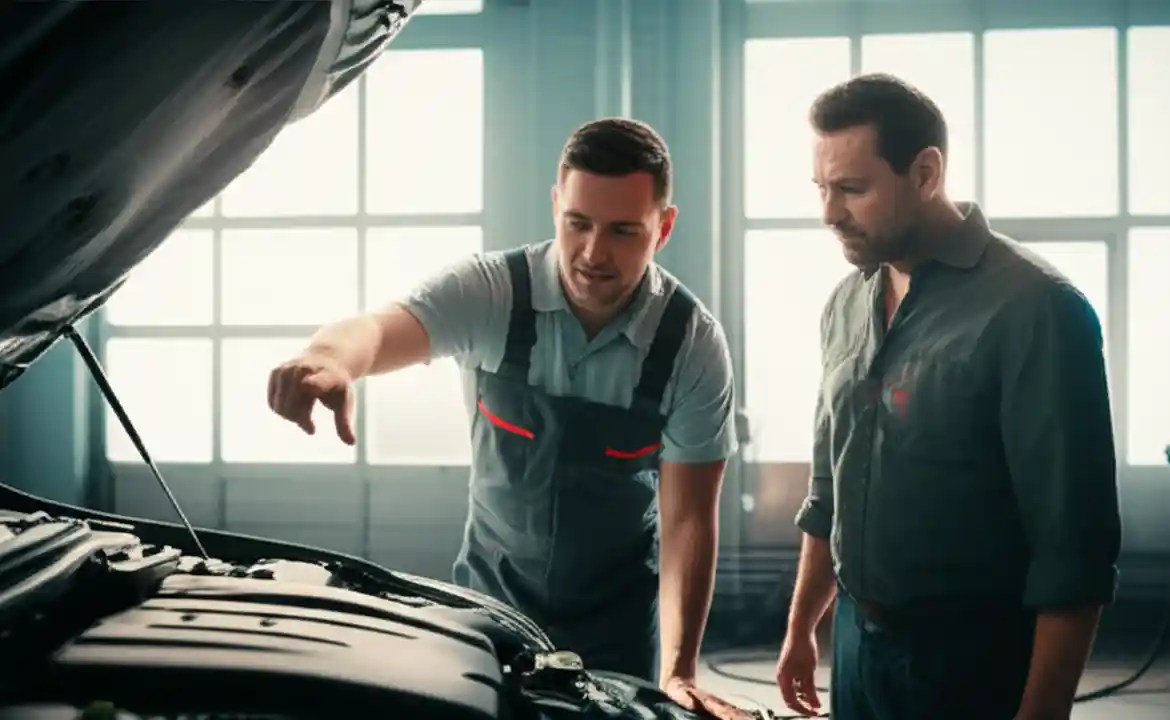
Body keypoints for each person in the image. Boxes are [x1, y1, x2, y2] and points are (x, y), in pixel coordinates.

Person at [267, 117, 750, 720]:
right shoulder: (492, 293)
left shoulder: (691, 344)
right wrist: (325, 358)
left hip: (618, 625)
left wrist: (679, 671)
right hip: (487, 608)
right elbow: (377, 328)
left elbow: (687, 522)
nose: (594, 254)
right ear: (556, 206)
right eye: (579, 224)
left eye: (624, 231)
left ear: (664, 226)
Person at [774, 73, 1123, 720]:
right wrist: (803, 630)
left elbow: (1073, 549)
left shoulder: (1037, 310)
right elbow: (829, 490)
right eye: (821, 189)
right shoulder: (846, 304)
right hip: (857, 648)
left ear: (926, 172)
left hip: (975, 663)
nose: (828, 213)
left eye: (852, 188)